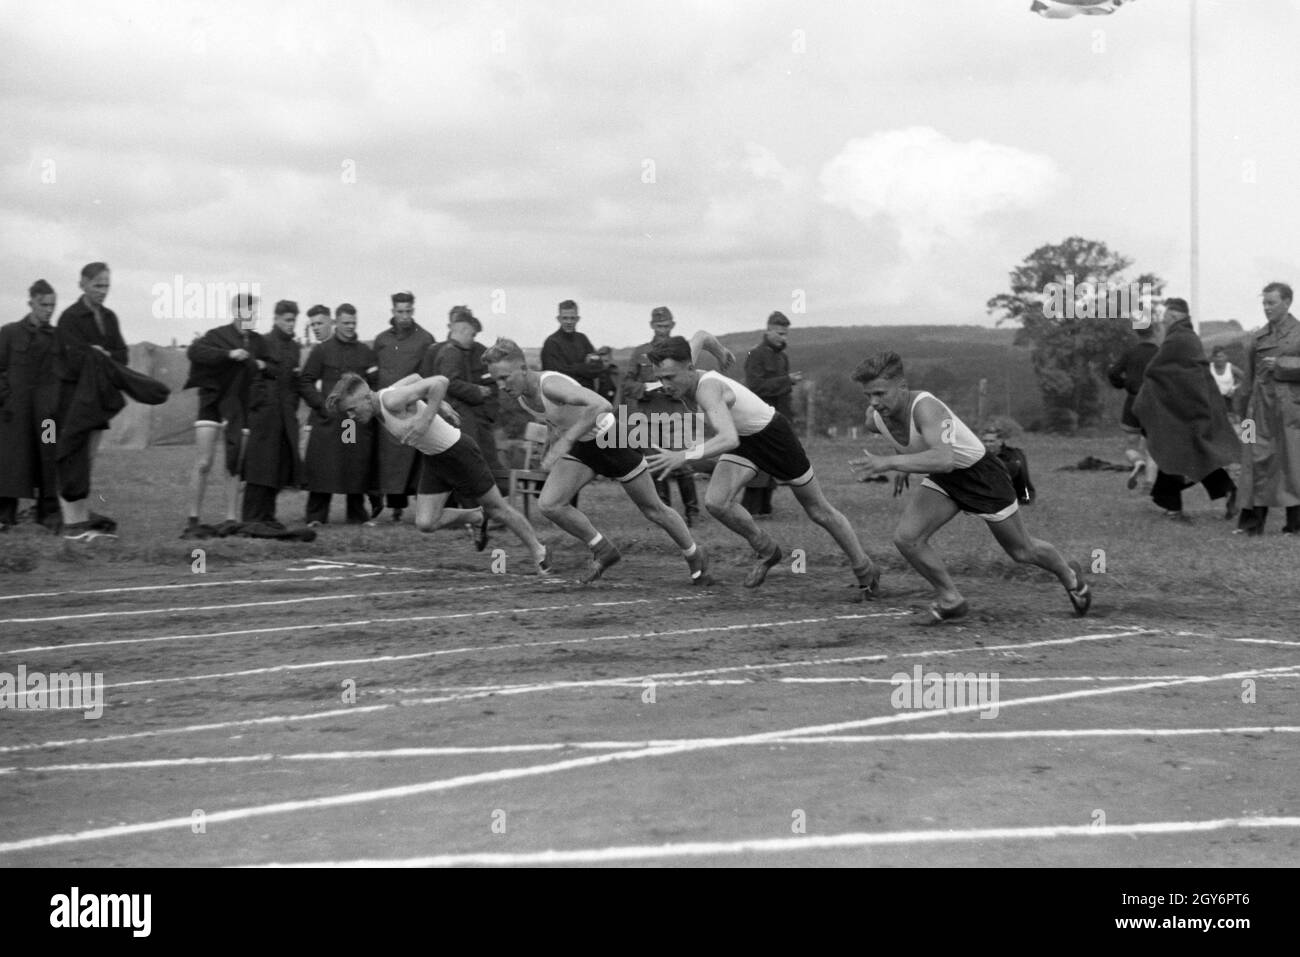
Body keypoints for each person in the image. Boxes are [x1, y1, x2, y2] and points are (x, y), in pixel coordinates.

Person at [848, 351, 1088, 621]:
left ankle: (1071, 576)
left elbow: (944, 458)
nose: (874, 402)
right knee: (907, 538)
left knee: (1022, 551)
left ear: (902, 387)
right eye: (869, 395)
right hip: (946, 480)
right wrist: (904, 461)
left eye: (880, 393)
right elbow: (904, 438)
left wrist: (891, 462)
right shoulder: (875, 418)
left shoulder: (928, 407)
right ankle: (951, 599)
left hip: (981, 476)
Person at [646, 333, 880, 599]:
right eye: (659, 378)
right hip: (745, 442)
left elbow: (727, 438)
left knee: (818, 510)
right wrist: (721, 351)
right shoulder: (684, 358)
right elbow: (700, 336)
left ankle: (865, 569)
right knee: (716, 502)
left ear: (689, 367)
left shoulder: (707, 389)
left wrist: (683, 456)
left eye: (669, 377)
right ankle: (767, 550)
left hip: (773, 438)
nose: (663, 385)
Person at [484, 337, 711, 585]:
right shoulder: (522, 396)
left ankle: (694, 554)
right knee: (550, 504)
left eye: (505, 377)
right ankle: (603, 549)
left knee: (653, 509)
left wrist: (566, 440)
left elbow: (601, 404)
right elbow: (556, 419)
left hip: (611, 441)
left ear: (524, 369)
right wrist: (551, 443)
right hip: (583, 446)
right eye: (496, 379)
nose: (502, 385)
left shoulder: (551, 386)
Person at [327, 371, 551, 572]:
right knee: (426, 523)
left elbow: (440, 381)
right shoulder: (385, 397)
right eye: (347, 414)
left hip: (459, 454)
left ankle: (539, 551)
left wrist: (426, 419)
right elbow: (416, 378)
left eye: (352, 410)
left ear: (366, 397)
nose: (351, 418)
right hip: (435, 460)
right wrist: (441, 405)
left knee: (498, 509)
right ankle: (475, 516)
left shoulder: (390, 400)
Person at [1131, 298, 1239, 521]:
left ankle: (1174, 508)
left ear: (1174, 317)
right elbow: (1177, 374)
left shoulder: (1178, 339)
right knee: (1195, 457)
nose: (1162, 321)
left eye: (1165, 317)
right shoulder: (1187, 337)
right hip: (1185, 409)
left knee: (1177, 457)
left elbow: (1155, 370)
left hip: (1183, 413)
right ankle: (1229, 491)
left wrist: (1147, 398)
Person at [183, 293, 269, 535]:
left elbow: (274, 367)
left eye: (254, 312)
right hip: (211, 402)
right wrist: (228, 354)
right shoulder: (217, 335)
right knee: (203, 462)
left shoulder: (259, 342)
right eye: (247, 311)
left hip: (239, 405)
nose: (251, 317)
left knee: (234, 463)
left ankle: (231, 518)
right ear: (236, 311)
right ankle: (193, 518)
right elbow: (195, 352)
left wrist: (263, 366)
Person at [54, 262, 128, 541]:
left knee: (89, 459)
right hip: (72, 399)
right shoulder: (69, 318)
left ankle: (81, 520)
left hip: (98, 398)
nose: (103, 291)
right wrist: (93, 356)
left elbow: (121, 355)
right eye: (98, 285)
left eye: (107, 285)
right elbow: (70, 359)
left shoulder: (110, 318)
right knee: (71, 458)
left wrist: (104, 357)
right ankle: (71, 524)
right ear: (82, 284)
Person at [241, 300, 320, 525]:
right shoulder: (262, 342)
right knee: (260, 466)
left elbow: (293, 382)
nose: (290, 324)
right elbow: (252, 377)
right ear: (275, 319)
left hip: (286, 415)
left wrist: (292, 405)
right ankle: (252, 516)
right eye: (286, 320)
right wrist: (259, 407)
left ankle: (268, 515)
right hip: (265, 415)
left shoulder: (294, 347)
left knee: (279, 465)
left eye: (293, 320)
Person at [300, 303, 379, 526]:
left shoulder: (366, 352)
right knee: (323, 466)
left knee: (355, 464)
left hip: (353, 423)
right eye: (345, 323)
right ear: (336, 322)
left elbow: (374, 384)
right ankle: (316, 517)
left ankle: (357, 516)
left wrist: (365, 408)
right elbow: (305, 382)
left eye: (353, 323)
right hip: (328, 422)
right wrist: (321, 406)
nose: (350, 327)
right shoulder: (322, 350)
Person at [623, 306, 700, 526]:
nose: (662, 330)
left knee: (683, 465)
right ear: (651, 326)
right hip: (649, 416)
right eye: (659, 326)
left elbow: (690, 378)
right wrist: (644, 388)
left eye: (666, 326)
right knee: (656, 464)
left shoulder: (680, 352)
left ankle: (693, 513)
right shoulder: (641, 353)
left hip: (676, 414)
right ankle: (664, 513)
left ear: (672, 325)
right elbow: (627, 383)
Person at [1236, 281, 1300, 535]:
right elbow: (1247, 380)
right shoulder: (1257, 337)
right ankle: (1252, 523)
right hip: (1257, 412)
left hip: (1291, 411)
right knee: (1253, 460)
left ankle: (1295, 524)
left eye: (1271, 302)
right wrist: (1243, 416)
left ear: (1287, 302)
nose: (1266, 308)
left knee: (1292, 463)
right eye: (1264, 303)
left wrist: (1283, 365)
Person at [0, 279, 61, 532]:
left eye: (52, 305)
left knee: (48, 458)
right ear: (31, 303)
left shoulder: (57, 337)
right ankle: (4, 516)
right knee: (11, 462)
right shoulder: (10, 332)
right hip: (16, 413)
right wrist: (6, 398)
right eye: (43, 304)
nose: (48, 309)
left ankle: (47, 515)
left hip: (47, 415)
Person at [427, 306, 506, 497]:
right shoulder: (452, 352)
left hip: (473, 419)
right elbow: (450, 382)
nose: (473, 339)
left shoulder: (461, 350)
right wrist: (477, 391)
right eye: (471, 334)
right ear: (461, 330)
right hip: (461, 418)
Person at [372, 291, 436, 521]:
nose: (404, 316)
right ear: (393, 312)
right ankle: (394, 508)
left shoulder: (425, 339)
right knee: (390, 461)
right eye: (400, 311)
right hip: (386, 408)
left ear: (413, 310)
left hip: (412, 407)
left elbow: (430, 376)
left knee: (417, 460)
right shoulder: (382, 340)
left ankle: (424, 507)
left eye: (408, 311)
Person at [742, 311, 803, 517]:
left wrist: (788, 418)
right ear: (767, 330)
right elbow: (755, 387)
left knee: (771, 465)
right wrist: (787, 381)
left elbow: (781, 393)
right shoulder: (755, 355)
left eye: (786, 334)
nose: (783, 338)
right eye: (779, 333)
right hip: (757, 417)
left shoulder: (782, 357)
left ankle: (765, 509)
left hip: (778, 417)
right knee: (758, 465)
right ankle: (750, 510)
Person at [1106, 321, 1159, 491]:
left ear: (1137, 333)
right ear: (1154, 331)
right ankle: (1150, 482)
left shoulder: (1130, 353)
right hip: (1154, 403)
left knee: (1131, 445)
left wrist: (1123, 384)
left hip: (1133, 401)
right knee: (1152, 445)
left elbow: (1113, 372)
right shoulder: (1160, 354)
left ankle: (1138, 461)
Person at [541, 299, 605, 391]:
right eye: (565, 318)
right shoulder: (552, 343)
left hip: (588, 398)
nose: (569, 322)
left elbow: (598, 368)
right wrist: (584, 367)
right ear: (558, 319)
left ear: (577, 319)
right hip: (563, 399)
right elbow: (556, 375)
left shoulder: (583, 339)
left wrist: (570, 367)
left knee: (621, 406)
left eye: (572, 318)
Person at [978, 426, 1035, 505]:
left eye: (991, 441)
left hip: (1021, 496)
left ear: (1001, 441)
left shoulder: (1014, 454)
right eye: (985, 441)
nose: (987, 444)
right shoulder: (982, 455)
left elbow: (1013, 469)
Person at [1208, 345, 1243, 417]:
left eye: (1221, 356)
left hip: (1229, 400)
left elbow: (1245, 378)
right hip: (1214, 401)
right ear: (1213, 358)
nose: (1219, 359)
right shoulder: (1208, 368)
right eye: (1217, 356)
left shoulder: (1230, 367)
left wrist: (1234, 388)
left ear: (1226, 357)